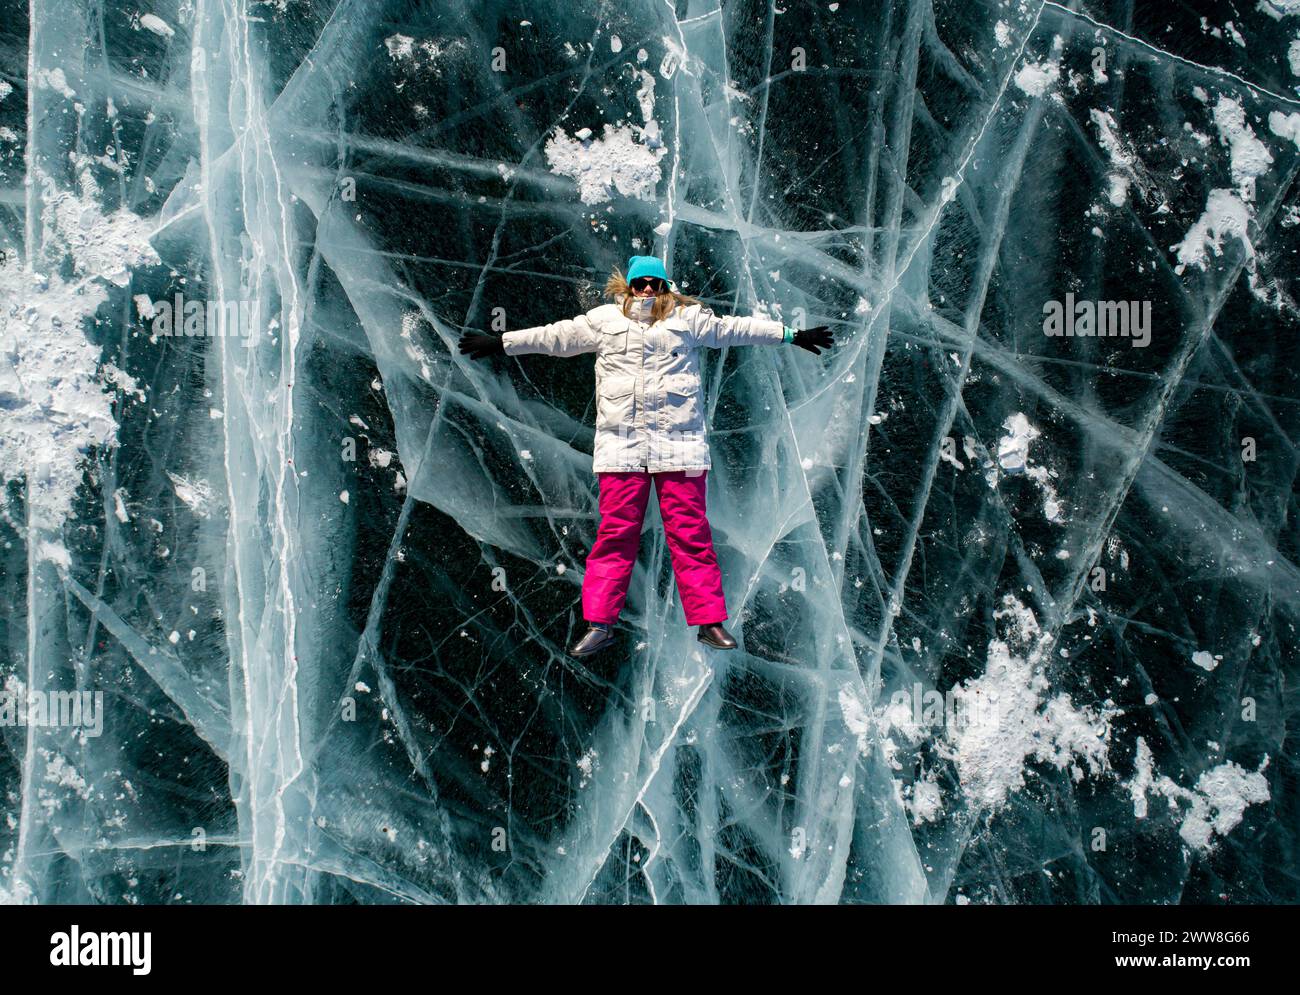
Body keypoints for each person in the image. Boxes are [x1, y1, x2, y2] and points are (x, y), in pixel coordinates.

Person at [459, 255, 833, 657]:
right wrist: (501, 342)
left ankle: (709, 623)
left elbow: (736, 328)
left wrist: (792, 335)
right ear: (628, 286)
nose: (649, 290)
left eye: (656, 283)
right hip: (622, 452)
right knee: (615, 536)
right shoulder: (603, 321)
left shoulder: (688, 319)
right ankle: (600, 625)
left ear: (666, 286)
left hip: (681, 450)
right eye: (641, 283)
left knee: (691, 535)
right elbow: (555, 337)